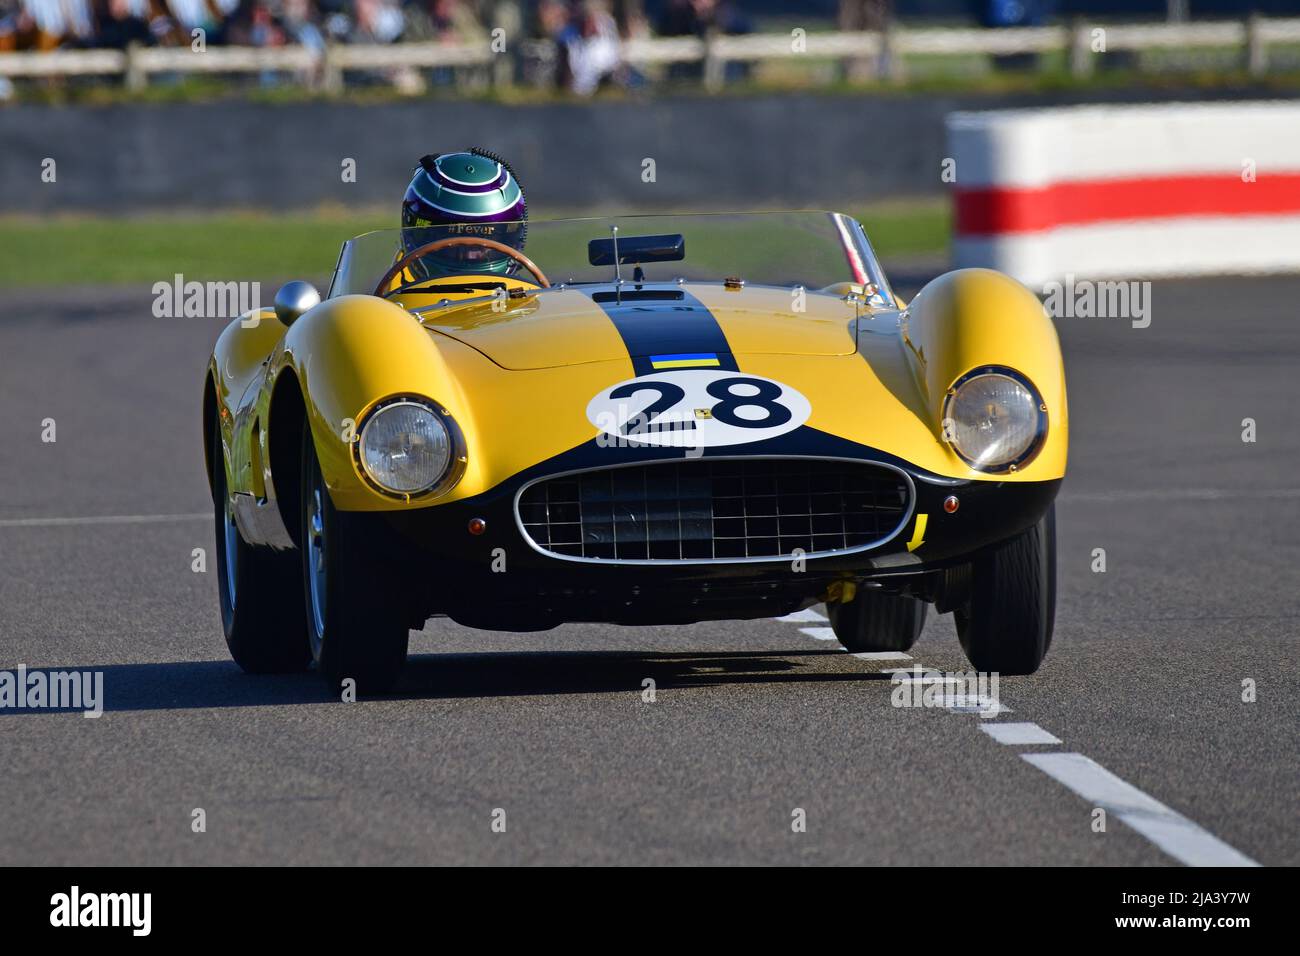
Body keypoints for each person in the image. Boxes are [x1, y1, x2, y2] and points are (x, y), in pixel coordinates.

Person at [394, 147, 531, 288]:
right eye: (451, 246)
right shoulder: (392, 297)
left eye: (485, 244)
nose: (471, 255)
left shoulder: (537, 303)